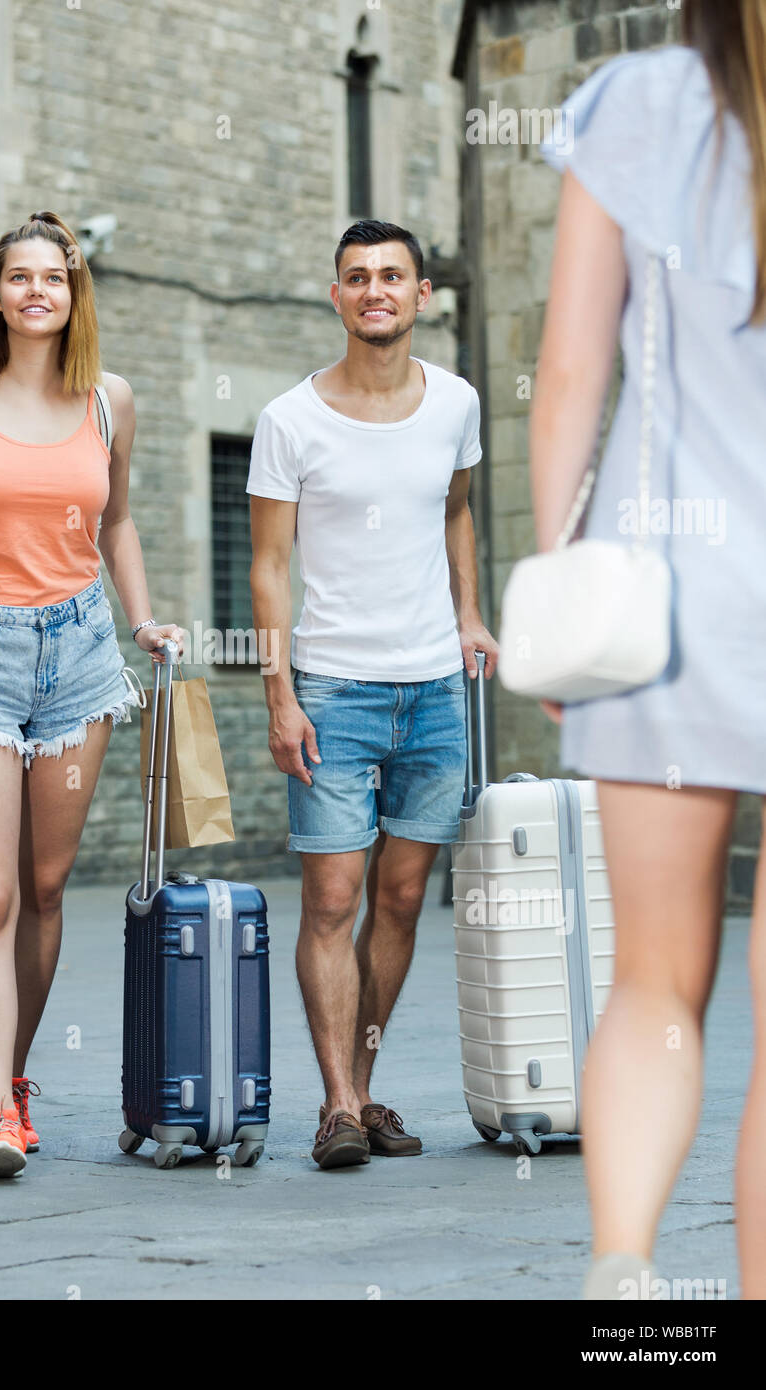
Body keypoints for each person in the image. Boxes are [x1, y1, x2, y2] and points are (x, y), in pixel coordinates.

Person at [529, 1, 766, 1299]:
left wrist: (560, 592)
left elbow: (568, 373)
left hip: (663, 594)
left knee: (651, 979)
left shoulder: (636, 99)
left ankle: (621, 1268)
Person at [0, 210, 184, 1179]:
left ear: (72, 293)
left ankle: (13, 1080)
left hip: (81, 655)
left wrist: (141, 619)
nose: (35, 291)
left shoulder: (111, 404)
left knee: (44, 890)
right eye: (17, 277)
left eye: (51, 277)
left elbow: (120, 524)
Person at [248, 220, 498, 1170]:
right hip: (334, 688)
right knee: (333, 899)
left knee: (400, 900)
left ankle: (359, 1088)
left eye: (392, 275)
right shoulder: (290, 419)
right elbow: (269, 568)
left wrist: (470, 616)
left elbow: (457, 513)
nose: (375, 290)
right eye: (357, 278)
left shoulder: (459, 404)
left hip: (434, 688)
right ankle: (340, 1105)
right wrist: (282, 693)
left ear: (421, 294)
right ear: (337, 295)